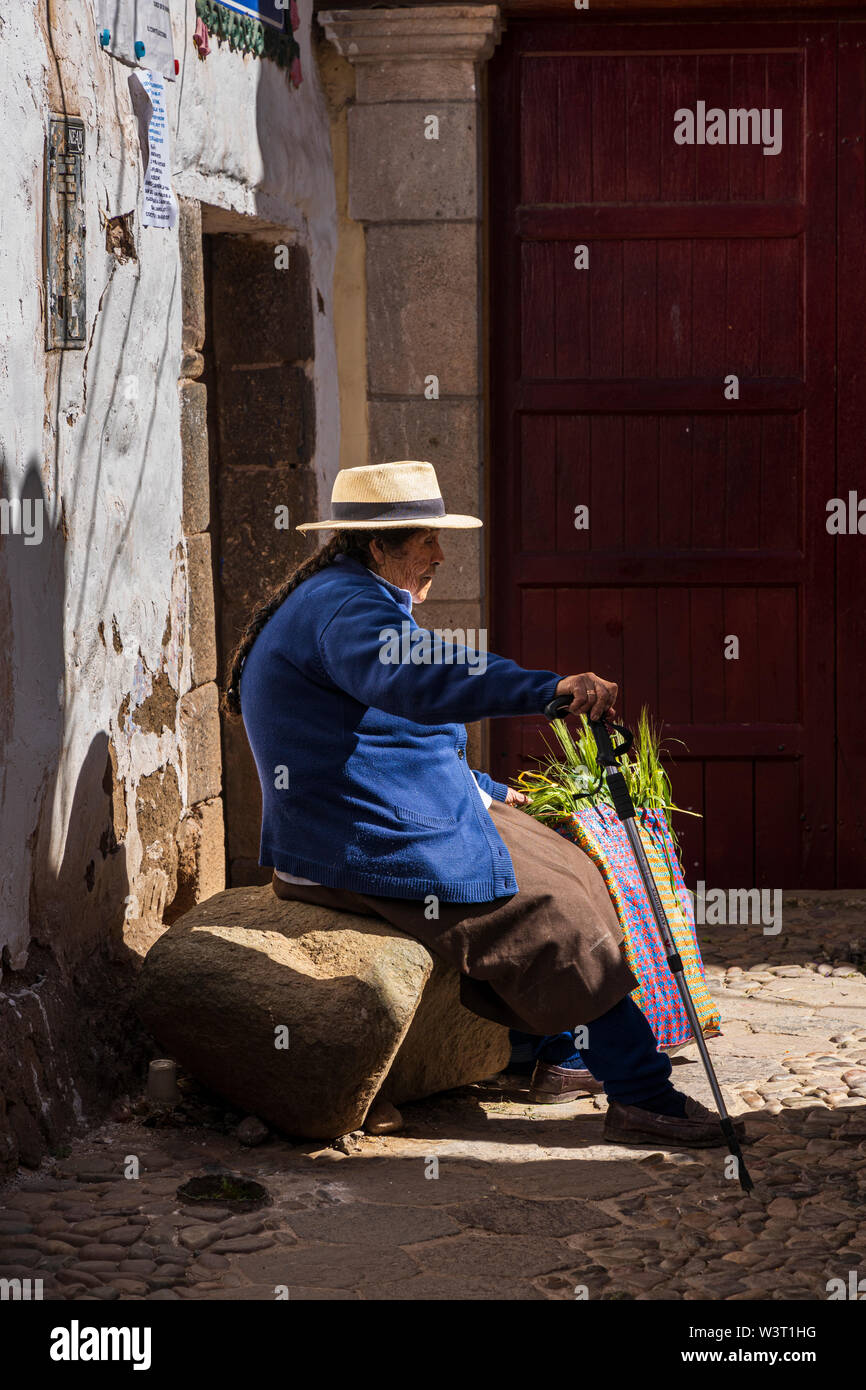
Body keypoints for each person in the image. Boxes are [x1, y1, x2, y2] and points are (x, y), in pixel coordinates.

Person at [225, 461, 743, 1149]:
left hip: (400, 808)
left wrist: (496, 793)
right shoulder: (346, 610)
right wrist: (544, 688)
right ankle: (642, 1094)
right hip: (357, 838)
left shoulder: (354, 594)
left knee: (575, 861)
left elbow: (404, 734)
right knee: (554, 914)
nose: (439, 555)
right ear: (377, 547)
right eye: (423, 542)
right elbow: (425, 679)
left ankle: (551, 1052)